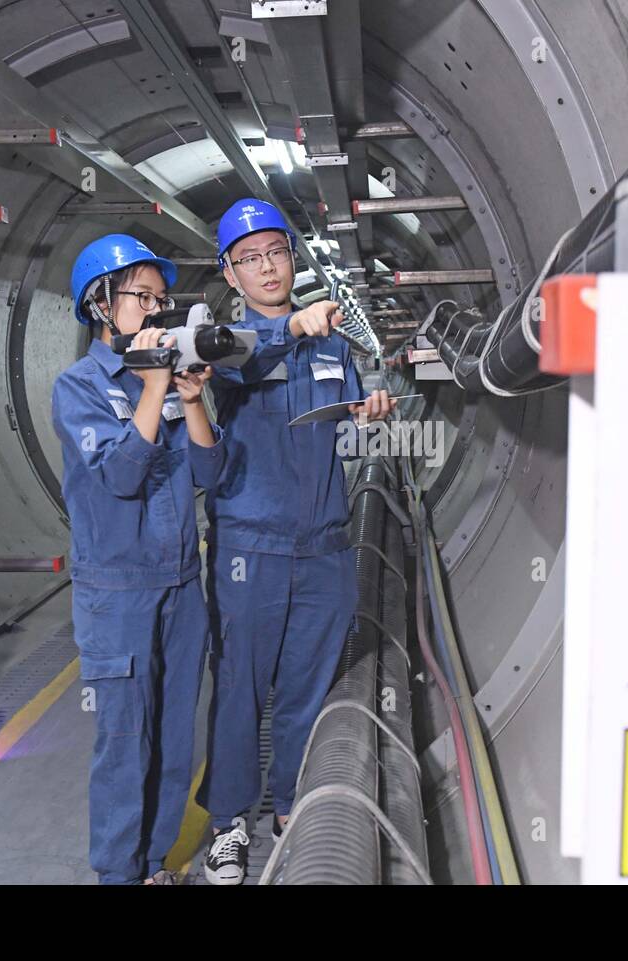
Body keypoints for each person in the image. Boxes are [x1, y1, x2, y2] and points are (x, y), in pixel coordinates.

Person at [197, 198, 393, 884]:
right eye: (250, 258)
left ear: (293, 257)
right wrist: (292, 329)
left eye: (276, 252)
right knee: (241, 691)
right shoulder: (222, 341)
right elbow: (235, 370)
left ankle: (288, 808)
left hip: (325, 546)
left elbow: (354, 408)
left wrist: (370, 411)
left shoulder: (335, 343)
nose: (267, 266)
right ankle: (227, 823)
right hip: (252, 546)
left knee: (306, 691)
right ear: (231, 272)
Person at [52, 234, 225, 885]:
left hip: (181, 585)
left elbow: (210, 471)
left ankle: (151, 864)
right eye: (140, 297)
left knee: (176, 739)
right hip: (117, 592)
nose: (156, 311)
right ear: (101, 304)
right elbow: (121, 477)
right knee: (126, 743)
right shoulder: (79, 389)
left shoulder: (169, 378)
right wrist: (154, 390)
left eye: (161, 299)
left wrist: (192, 394)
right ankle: (118, 874)